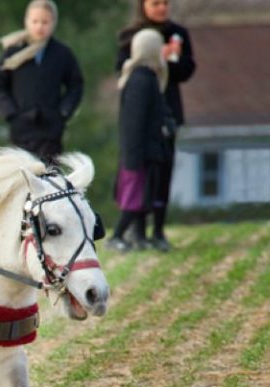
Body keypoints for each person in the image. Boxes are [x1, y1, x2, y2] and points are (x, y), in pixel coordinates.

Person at [116, 0, 196, 251]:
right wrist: (152, 57)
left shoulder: (178, 33)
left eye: (165, 3)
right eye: (155, 3)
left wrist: (170, 59)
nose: (162, 8)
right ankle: (137, 230)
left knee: (163, 171)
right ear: (143, 6)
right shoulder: (130, 35)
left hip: (167, 112)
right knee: (140, 172)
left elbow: (186, 70)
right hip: (142, 116)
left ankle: (158, 230)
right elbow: (121, 67)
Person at [0, 0, 83, 162]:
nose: (40, 26)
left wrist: (63, 112)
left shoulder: (62, 54)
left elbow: (75, 85)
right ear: (27, 21)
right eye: (35, 21)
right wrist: (10, 112)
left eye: (45, 22)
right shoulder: (13, 52)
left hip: (50, 130)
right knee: (21, 170)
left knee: (48, 171)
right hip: (21, 128)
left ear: (53, 23)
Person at [108, 29, 172, 253]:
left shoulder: (145, 78)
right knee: (133, 199)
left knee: (142, 199)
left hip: (143, 152)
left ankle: (139, 238)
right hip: (138, 154)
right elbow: (134, 123)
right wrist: (135, 156)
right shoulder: (141, 80)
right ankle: (116, 236)